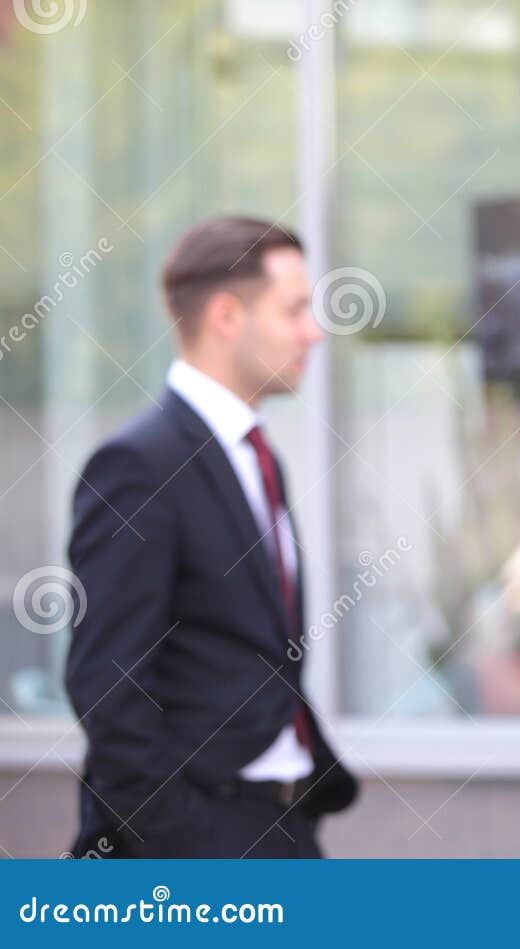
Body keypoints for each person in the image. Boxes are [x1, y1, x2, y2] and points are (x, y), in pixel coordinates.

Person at [64, 216, 357, 858]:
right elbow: (107, 684)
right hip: (198, 844)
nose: (314, 331)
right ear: (228, 316)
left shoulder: (259, 459)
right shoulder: (139, 465)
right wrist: (185, 842)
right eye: (295, 309)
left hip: (284, 827)